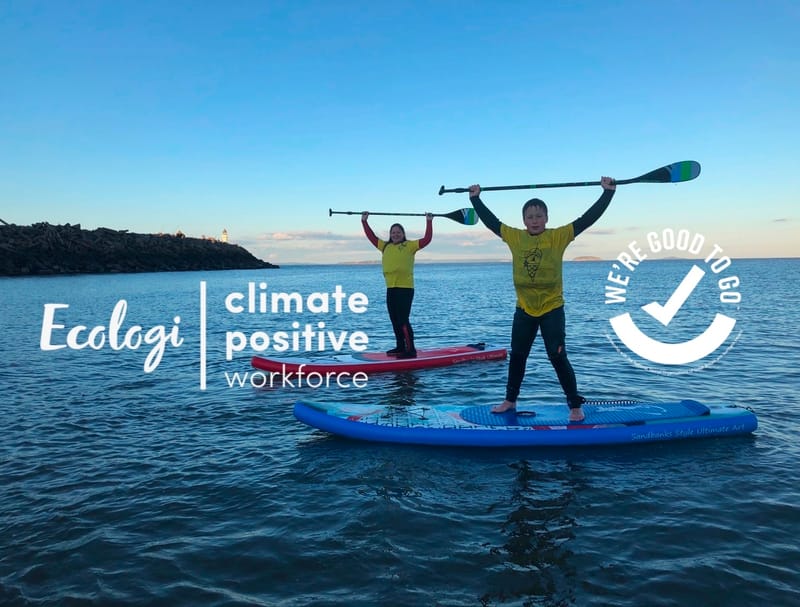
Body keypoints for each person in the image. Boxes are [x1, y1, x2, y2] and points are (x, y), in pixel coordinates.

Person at [468, 177, 616, 422]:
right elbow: (492, 222)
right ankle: (510, 400)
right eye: (529, 217)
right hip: (524, 309)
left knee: (557, 356)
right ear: (523, 220)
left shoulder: (559, 236)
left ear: (546, 218)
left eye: (538, 216)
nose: (534, 221)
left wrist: (607, 193)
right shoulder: (515, 237)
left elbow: (588, 219)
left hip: (552, 309)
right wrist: (475, 199)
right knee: (518, 356)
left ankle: (575, 405)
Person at [361, 212, 433, 358]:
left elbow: (427, 239)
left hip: (405, 289)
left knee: (402, 319)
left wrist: (429, 222)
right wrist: (364, 221)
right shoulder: (385, 246)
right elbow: (371, 237)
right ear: (390, 234)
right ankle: (400, 347)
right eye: (393, 232)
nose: (395, 234)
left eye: (398, 232)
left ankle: (411, 349)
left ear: (403, 233)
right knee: (394, 319)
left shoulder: (410, 246)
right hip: (391, 288)